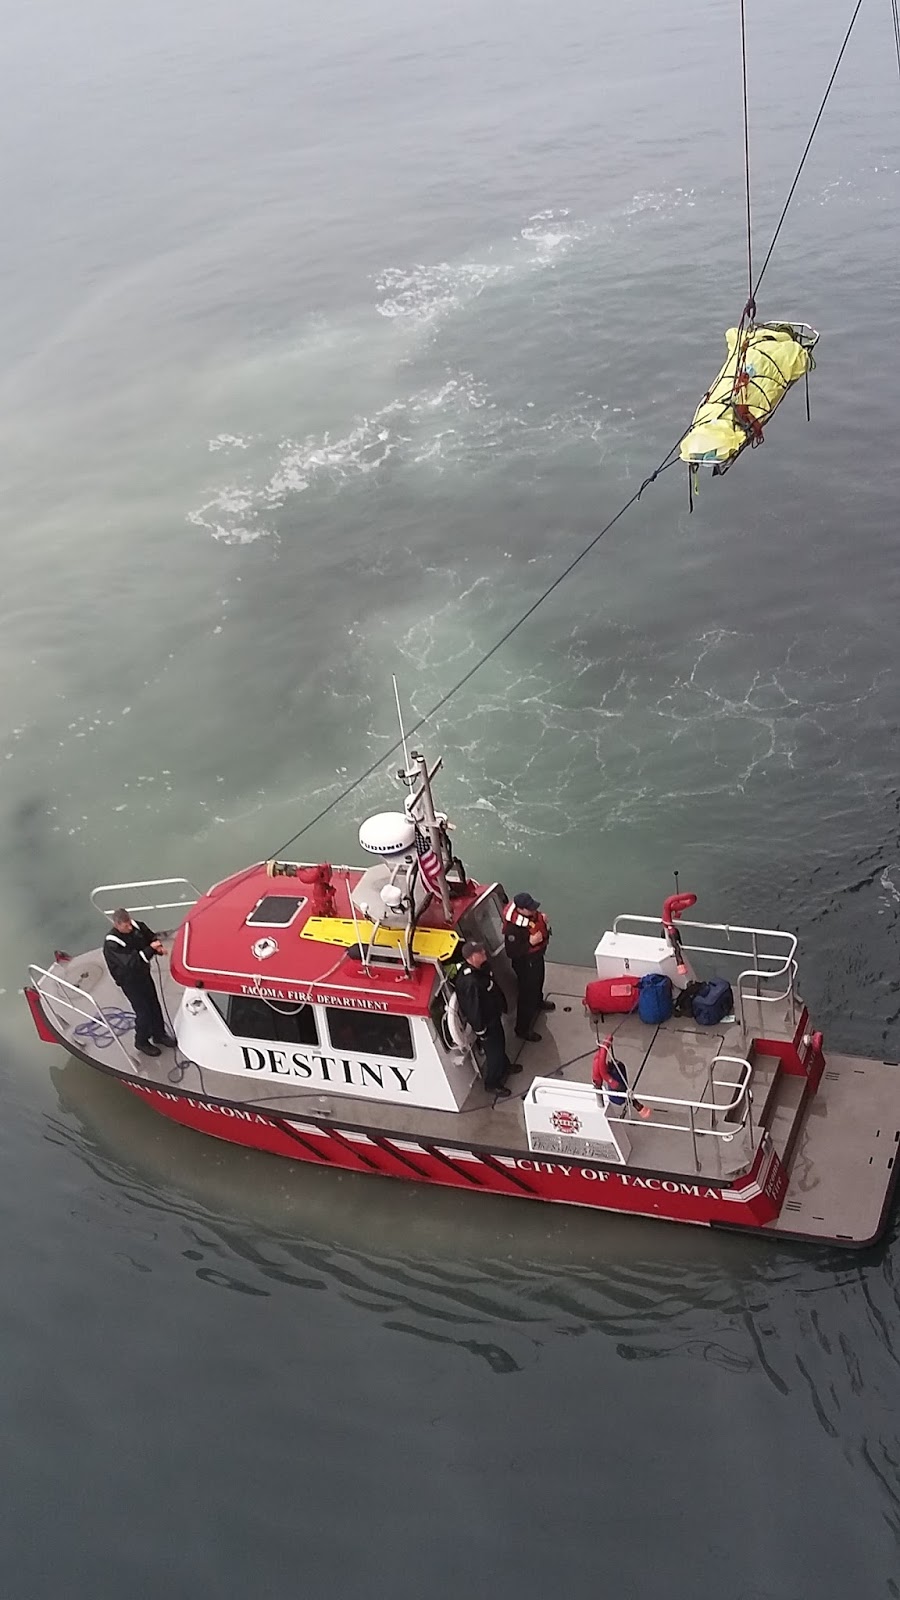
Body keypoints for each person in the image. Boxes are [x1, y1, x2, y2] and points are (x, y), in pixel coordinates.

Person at [103, 907, 176, 1057]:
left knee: (154, 1004)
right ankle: (141, 1041)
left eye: (129, 923)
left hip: (143, 974)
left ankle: (159, 1034)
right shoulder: (112, 944)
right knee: (143, 1012)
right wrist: (150, 949)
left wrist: (159, 948)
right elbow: (130, 962)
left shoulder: (138, 926)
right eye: (125, 926)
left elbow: (151, 938)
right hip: (129, 981)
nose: (129, 928)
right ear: (117, 925)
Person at [453, 940, 520, 1101]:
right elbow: (473, 1008)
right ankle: (492, 1082)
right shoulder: (470, 982)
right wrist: (481, 1031)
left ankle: (504, 1066)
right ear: (471, 957)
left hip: (493, 1015)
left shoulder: (481, 970)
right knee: (494, 1053)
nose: (484, 953)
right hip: (486, 1023)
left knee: (500, 1044)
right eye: (480, 952)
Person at [502, 891, 555, 1042]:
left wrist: (543, 921)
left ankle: (538, 1002)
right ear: (520, 909)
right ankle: (522, 1029)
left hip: (537, 958)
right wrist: (529, 943)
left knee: (539, 982)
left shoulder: (529, 916)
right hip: (525, 964)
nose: (533, 910)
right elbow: (511, 952)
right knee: (526, 995)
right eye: (530, 908)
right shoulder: (513, 929)